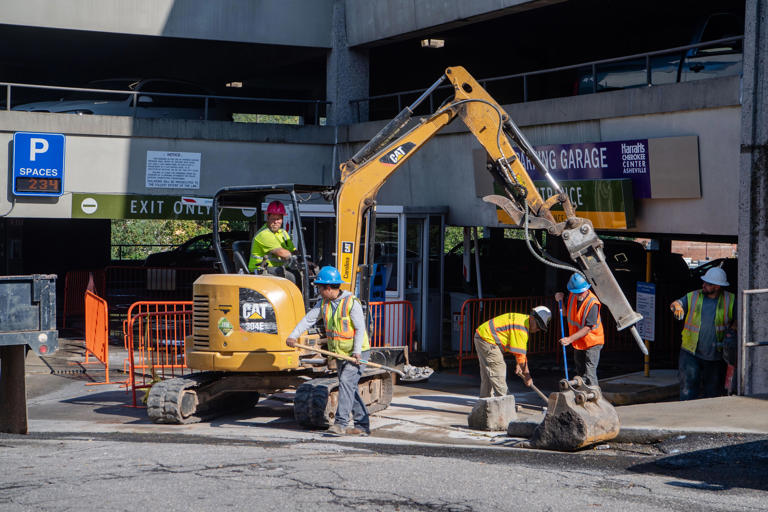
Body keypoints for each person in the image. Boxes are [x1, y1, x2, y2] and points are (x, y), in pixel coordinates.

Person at [285, 266, 370, 436]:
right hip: (339, 354)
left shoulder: (351, 303)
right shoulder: (323, 303)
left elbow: (360, 329)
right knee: (349, 388)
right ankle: (362, 425)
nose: (318, 291)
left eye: (319, 288)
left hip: (358, 352)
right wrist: (293, 336)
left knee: (346, 382)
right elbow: (307, 320)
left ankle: (341, 423)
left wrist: (356, 353)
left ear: (328, 288)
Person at [670, 267, 734, 400]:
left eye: (708, 283)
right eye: (704, 282)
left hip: (715, 354)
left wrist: (733, 330)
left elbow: (740, 318)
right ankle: (686, 417)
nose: (703, 285)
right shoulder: (693, 296)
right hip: (690, 352)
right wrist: (677, 307)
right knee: (687, 389)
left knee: (712, 392)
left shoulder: (730, 299)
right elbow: (676, 303)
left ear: (717, 286)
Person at [473, 306, 551, 397]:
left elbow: (519, 351)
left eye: (540, 329)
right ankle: (505, 402)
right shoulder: (521, 329)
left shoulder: (523, 321)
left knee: (488, 373)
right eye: (538, 326)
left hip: (482, 336)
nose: (538, 330)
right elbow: (520, 356)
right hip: (487, 339)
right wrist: (527, 376)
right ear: (533, 318)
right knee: (498, 369)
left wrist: (519, 365)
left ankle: (485, 403)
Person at [555, 272, 604, 388]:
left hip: (592, 342)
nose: (578, 295)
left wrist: (569, 339)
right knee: (580, 373)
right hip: (579, 342)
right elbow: (566, 313)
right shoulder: (573, 295)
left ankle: (595, 398)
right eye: (576, 292)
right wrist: (559, 301)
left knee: (589, 375)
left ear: (587, 288)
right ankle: (582, 397)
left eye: (580, 292)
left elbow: (588, 327)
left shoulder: (593, 303)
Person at [248, 200, 296, 273]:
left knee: (297, 274)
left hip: (275, 270)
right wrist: (296, 258)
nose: (275, 222)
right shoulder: (264, 234)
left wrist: (305, 262)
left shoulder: (283, 233)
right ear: (268, 218)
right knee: (292, 276)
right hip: (260, 271)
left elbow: (293, 251)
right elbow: (282, 253)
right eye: (273, 218)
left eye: (278, 219)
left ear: (282, 219)